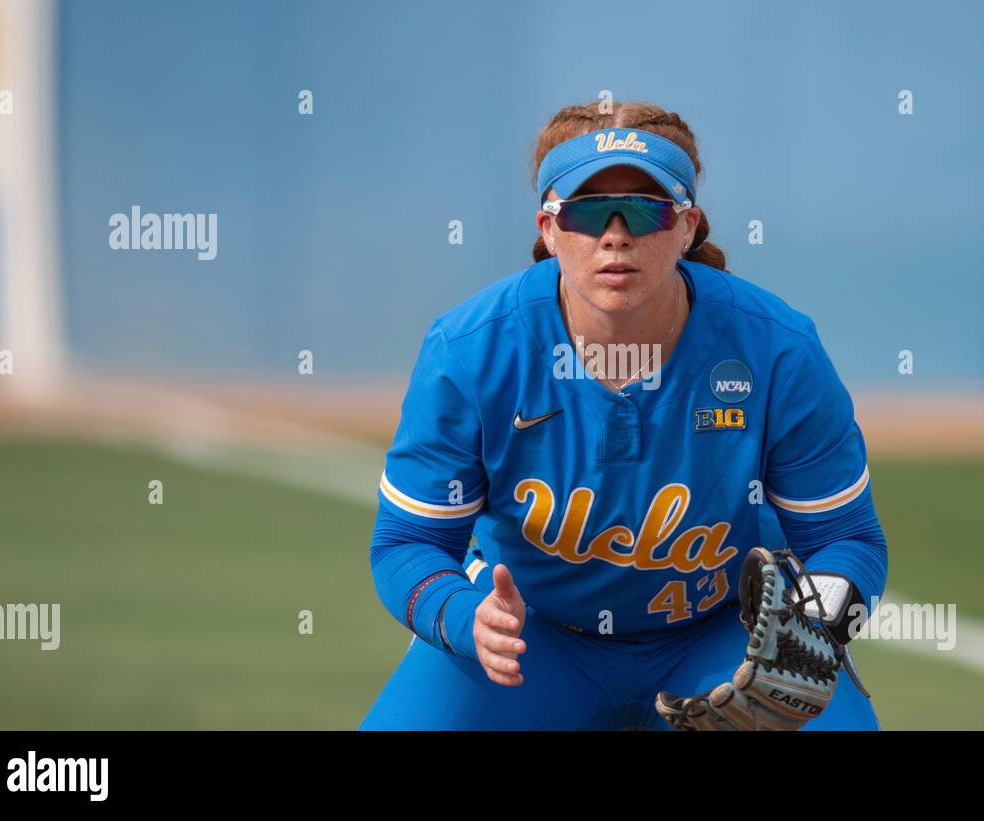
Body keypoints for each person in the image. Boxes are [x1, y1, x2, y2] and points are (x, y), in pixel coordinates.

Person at [359, 102, 887, 730]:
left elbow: (847, 538)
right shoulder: (471, 350)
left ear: (687, 226)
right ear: (549, 228)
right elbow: (407, 543)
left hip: (720, 638)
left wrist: (813, 627)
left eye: (646, 209)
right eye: (585, 210)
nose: (616, 233)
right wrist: (461, 615)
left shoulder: (776, 349)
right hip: (530, 639)